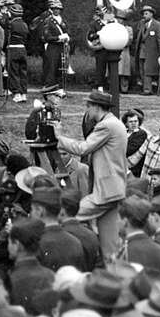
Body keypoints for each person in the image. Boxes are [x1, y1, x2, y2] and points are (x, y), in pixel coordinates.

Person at [54, 89, 128, 262]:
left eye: (88, 106)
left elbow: (83, 148)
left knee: (64, 216)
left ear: (96, 107)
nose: (87, 110)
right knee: (111, 248)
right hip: (114, 191)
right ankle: (115, 279)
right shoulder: (114, 123)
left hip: (106, 193)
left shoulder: (106, 125)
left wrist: (59, 137)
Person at [134, 5, 160, 95]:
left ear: (151, 14)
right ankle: (145, 87)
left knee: (148, 70)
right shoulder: (142, 23)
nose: (144, 15)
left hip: (151, 51)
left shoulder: (157, 24)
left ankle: (147, 89)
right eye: (144, 14)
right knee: (141, 69)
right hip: (142, 50)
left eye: (146, 14)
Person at [40, 0, 70, 89]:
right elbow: (47, 37)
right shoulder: (48, 21)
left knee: (61, 69)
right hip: (53, 47)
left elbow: (68, 32)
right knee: (51, 69)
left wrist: (67, 37)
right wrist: (58, 37)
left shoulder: (63, 21)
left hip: (62, 47)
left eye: (58, 9)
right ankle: (50, 88)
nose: (56, 10)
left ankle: (60, 88)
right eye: (54, 9)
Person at [114, 9, 135, 93]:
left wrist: (120, 42)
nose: (119, 20)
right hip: (114, 51)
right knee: (114, 70)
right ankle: (114, 88)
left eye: (121, 19)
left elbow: (129, 40)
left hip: (124, 51)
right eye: (118, 18)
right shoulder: (112, 28)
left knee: (124, 72)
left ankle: (124, 88)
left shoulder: (129, 29)